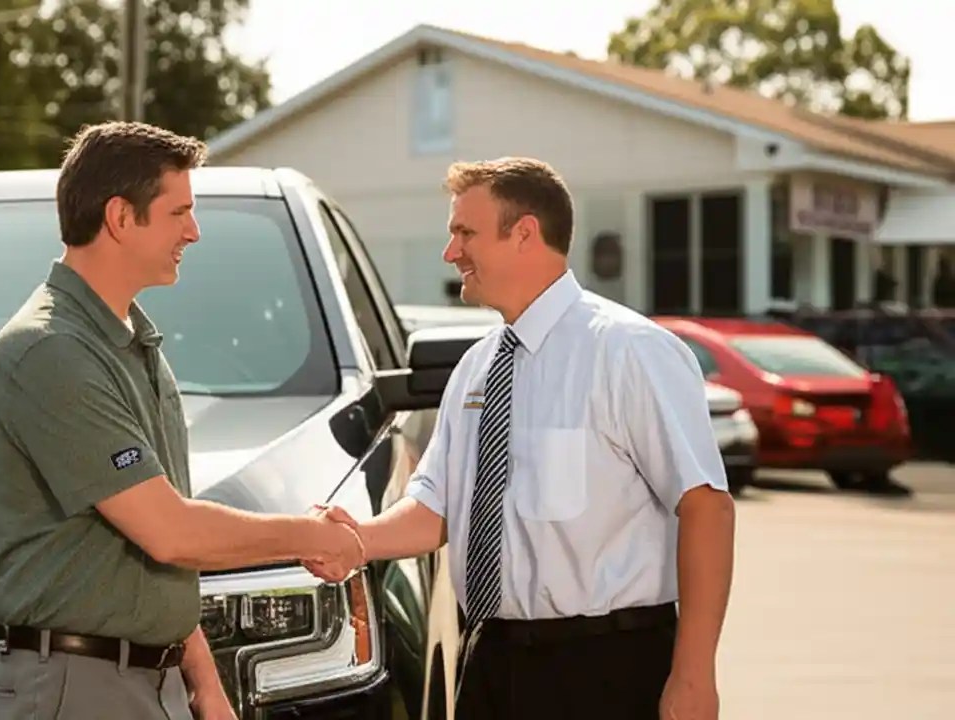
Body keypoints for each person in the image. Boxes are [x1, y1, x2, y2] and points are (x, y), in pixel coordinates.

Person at [308, 157, 736, 720]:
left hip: (606, 669)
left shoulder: (630, 351)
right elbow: (436, 510)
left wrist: (693, 672)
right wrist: (355, 538)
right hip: (489, 662)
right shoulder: (475, 368)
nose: (451, 252)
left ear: (525, 234)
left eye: (465, 233)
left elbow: (706, 506)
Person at [0, 121, 364, 720]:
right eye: (178, 212)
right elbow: (171, 532)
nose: (194, 231)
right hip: (72, 692)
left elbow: (157, 556)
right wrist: (308, 536)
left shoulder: (129, 343)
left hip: (147, 682)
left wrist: (203, 684)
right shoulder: (51, 350)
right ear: (120, 218)